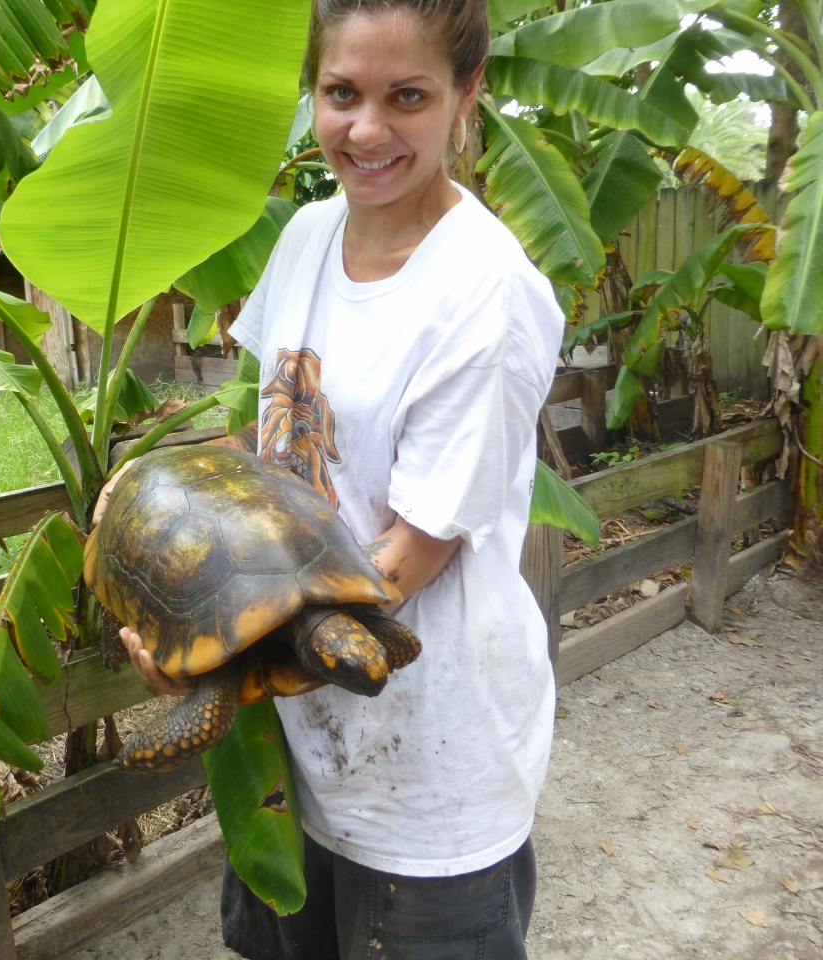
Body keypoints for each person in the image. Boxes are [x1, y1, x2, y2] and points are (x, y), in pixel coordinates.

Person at [94, 1, 564, 956]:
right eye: (341, 93)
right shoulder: (308, 235)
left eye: (408, 97)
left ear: (467, 94)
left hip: (432, 774)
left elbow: (402, 559)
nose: (367, 130)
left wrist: (219, 654)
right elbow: (276, 449)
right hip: (289, 762)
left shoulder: (488, 294)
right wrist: (151, 485)